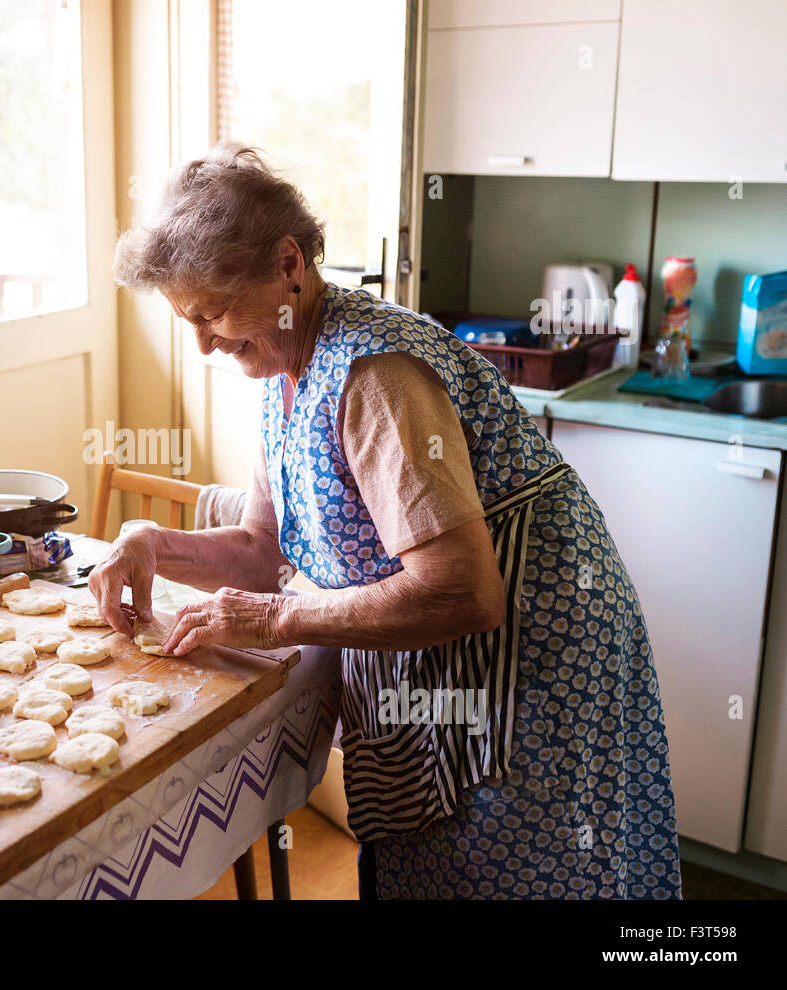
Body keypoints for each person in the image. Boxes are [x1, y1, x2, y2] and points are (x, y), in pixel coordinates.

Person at [91, 143, 682, 899]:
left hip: (530, 661)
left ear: (287, 263)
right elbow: (260, 546)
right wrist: (146, 543)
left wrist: (276, 619)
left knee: (517, 872)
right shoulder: (283, 368)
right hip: (446, 661)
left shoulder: (376, 376)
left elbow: (464, 590)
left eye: (213, 312)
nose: (204, 342)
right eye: (188, 320)